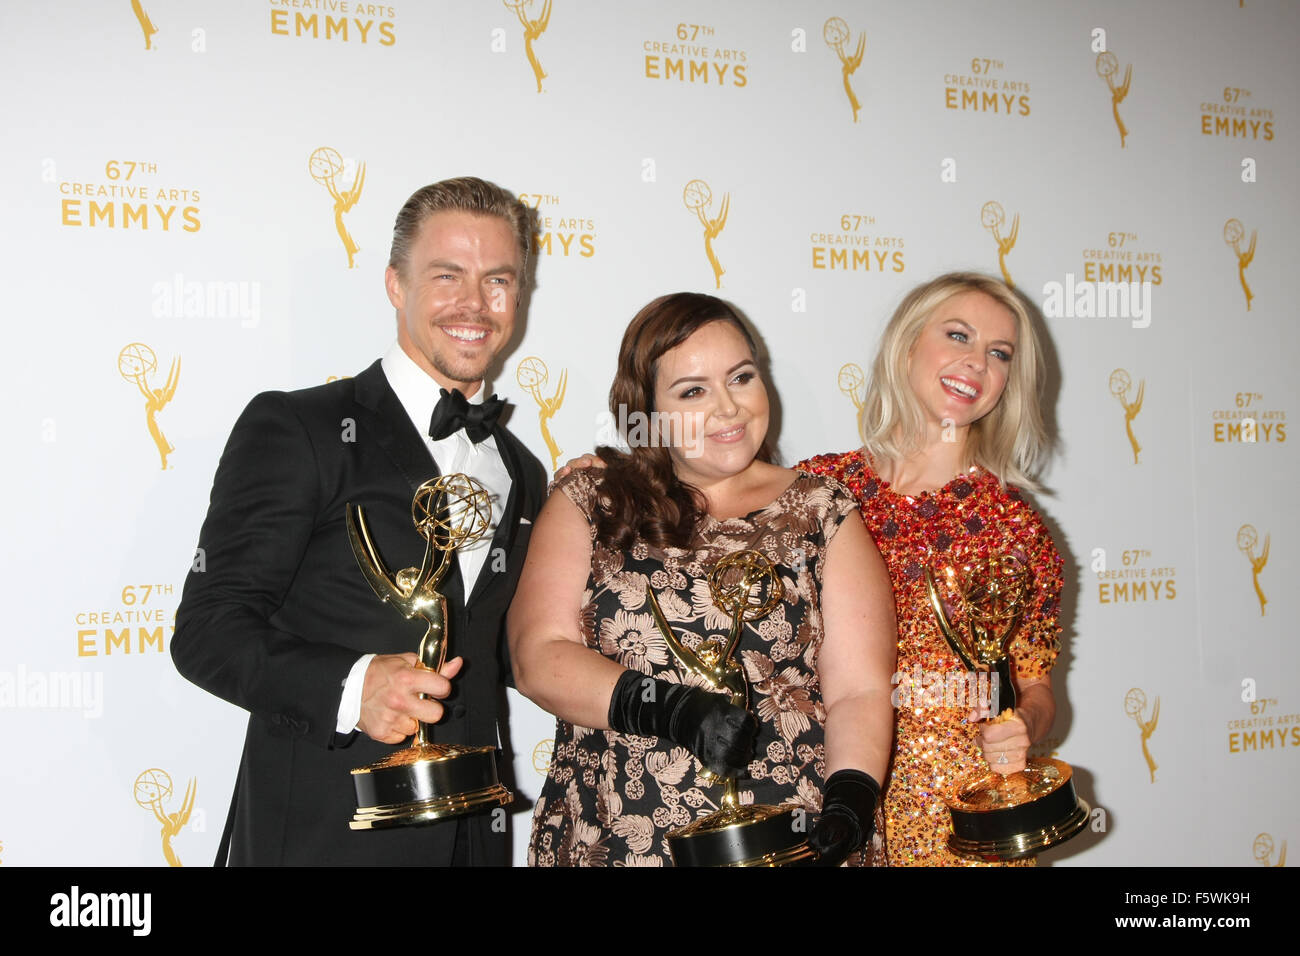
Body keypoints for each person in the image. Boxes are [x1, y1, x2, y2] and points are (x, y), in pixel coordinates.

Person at [172, 177, 547, 866]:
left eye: (498, 279)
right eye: (447, 276)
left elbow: (509, 652)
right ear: (395, 286)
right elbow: (206, 632)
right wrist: (353, 687)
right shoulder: (298, 428)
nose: (475, 303)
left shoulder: (523, 470)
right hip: (320, 837)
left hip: (473, 841)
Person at [508, 292, 897, 866]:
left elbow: (859, 689)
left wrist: (851, 798)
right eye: (693, 391)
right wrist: (668, 708)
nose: (729, 409)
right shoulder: (591, 501)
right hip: (621, 832)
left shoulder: (821, 509)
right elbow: (536, 656)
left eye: (741, 377)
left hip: (791, 835)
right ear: (645, 410)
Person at [798, 272, 1064, 867]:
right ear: (908, 343)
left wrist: (1023, 723)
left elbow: (1037, 685)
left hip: (960, 818)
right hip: (830, 794)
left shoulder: (1014, 523)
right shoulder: (820, 488)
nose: (977, 363)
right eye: (958, 336)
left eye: (1000, 354)